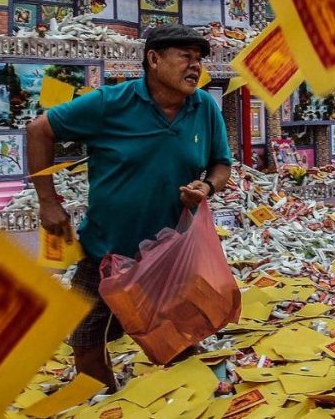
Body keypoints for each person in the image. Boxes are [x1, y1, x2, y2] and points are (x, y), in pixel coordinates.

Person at [26, 24, 232, 391]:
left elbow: (221, 164)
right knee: (86, 340)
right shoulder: (109, 103)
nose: (195, 66)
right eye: (186, 56)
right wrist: (47, 202)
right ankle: (106, 401)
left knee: (178, 337)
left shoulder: (205, 108)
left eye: (199, 59)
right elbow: (39, 130)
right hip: (106, 250)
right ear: (153, 59)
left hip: (172, 252)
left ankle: (193, 400)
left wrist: (207, 186)